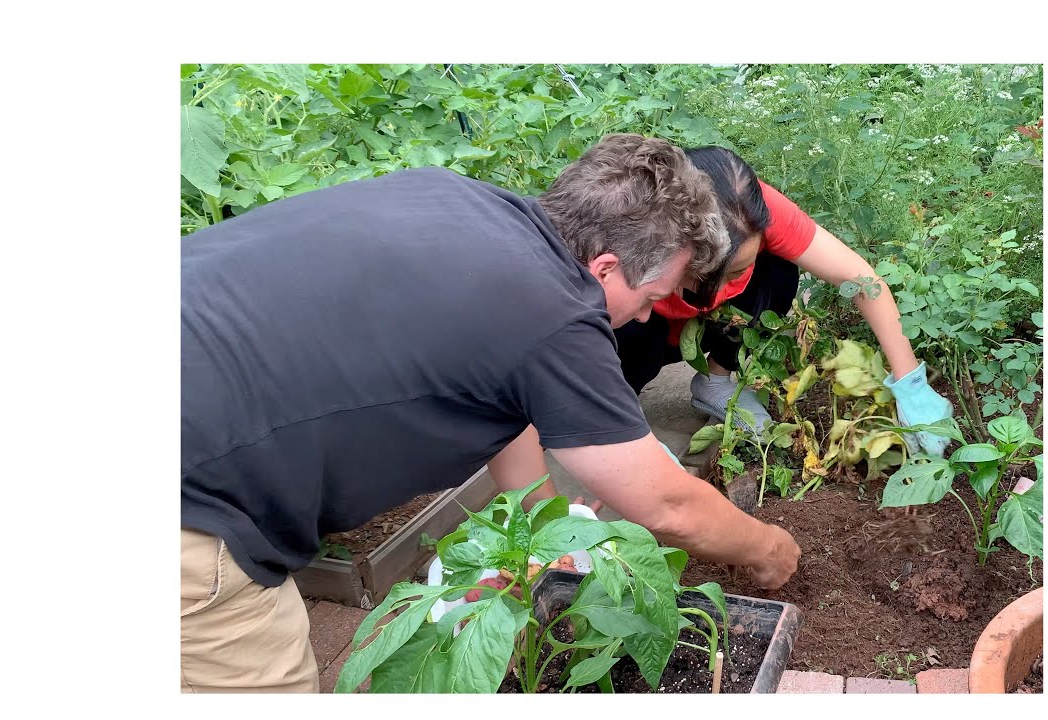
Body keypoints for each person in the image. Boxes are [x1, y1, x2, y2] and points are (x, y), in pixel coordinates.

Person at [181, 134, 802, 693]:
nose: (645, 318)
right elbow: (669, 506)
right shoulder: (557, 312)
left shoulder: (454, 197)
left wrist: (548, 527)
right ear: (606, 267)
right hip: (193, 495)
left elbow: (504, 403)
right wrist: (767, 549)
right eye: (653, 298)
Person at [614, 146, 954, 455]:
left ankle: (715, 382)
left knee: (779, 270)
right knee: (630, 339)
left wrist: (912, 385)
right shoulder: (632, 235)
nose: (722, 289)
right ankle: (622, 412)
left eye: (736, 271)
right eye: (713, 275)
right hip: (648, 328)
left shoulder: (749, 210)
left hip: (706, 325)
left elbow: (862, 281)